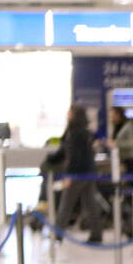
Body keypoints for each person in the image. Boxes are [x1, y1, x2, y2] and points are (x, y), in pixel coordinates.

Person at [44, 104, 104, 243]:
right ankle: (96, 234)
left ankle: (57, 234)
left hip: (77, 174)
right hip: (88, 172)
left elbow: (73, 155)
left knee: (66, 203)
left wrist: (68, 175)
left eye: (69, 112)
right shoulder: (84, 131)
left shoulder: (75, 132)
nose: (67, 114)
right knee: (90, 204)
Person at [107, 107, 133, 173]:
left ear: (118, 115)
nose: (111, 118)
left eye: (112, 116)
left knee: (129, 181)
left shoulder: (129, 126)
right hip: (118, 159)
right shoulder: (116, 127)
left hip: (128, 160)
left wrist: (116, 144)